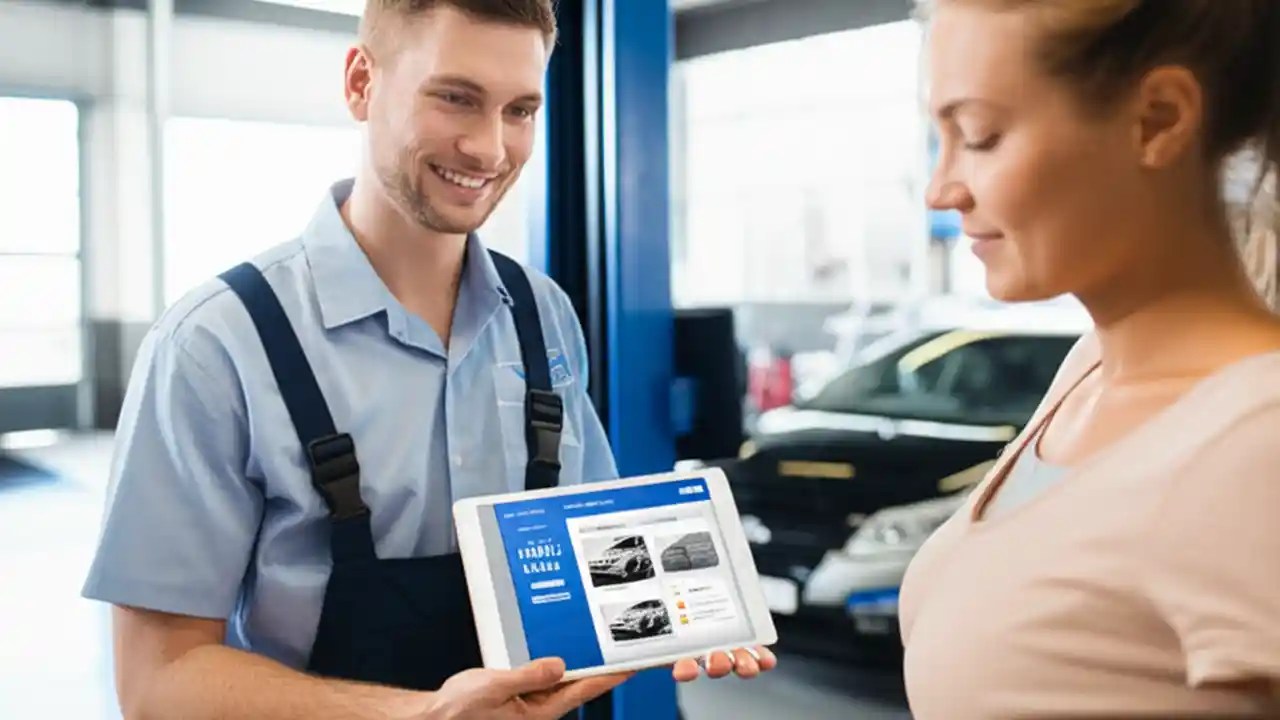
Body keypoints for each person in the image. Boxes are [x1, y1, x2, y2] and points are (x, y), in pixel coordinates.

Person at [80, 2, 775, 718]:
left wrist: (679, 604)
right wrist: (418, 716)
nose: (489, 148)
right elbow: (158, 681)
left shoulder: (542, 315)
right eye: (455, 98)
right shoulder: (215, 345)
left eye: (520, 110)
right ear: (360, 82)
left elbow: (593, 552)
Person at [899, 1, 1280, 717]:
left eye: (980, 137)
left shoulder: (1259, 445)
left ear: (1158, 119)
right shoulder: (1087, 371)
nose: (942, 188)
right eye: (940, 138)